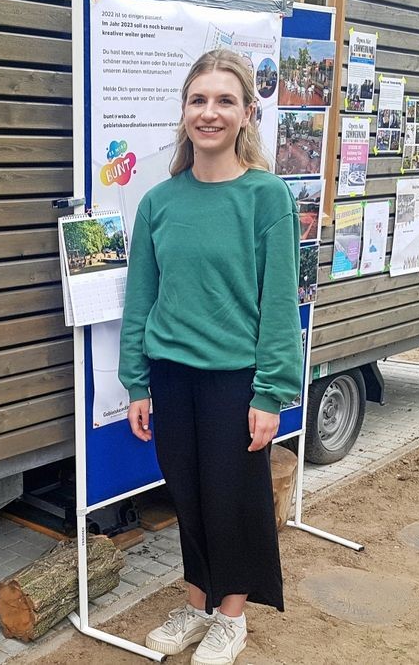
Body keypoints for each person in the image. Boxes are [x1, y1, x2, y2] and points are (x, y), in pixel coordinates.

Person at [118, 49, 303, 665]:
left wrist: (271, 393)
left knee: (234, 500)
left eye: (225, 100)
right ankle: (196, 605)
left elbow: (278, 305)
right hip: (171, 378)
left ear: (248, 113)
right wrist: (136, 383)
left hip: (235, 381)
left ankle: (231, 617)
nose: (210, 112)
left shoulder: (266, 198)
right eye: (199, 100)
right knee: (189, 496)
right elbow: (140, 300)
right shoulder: (158, 203)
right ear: (184, 112)